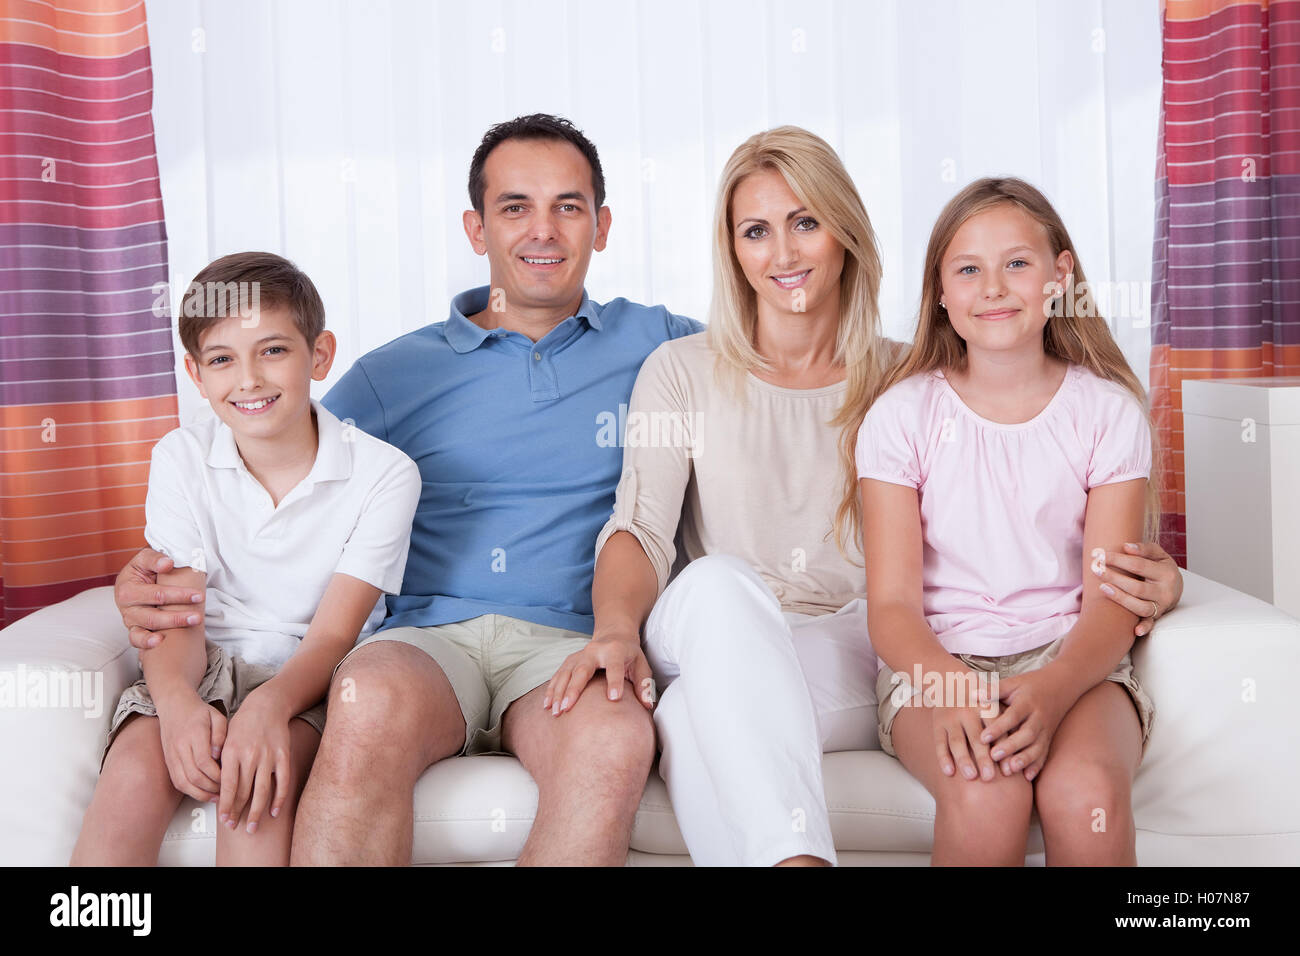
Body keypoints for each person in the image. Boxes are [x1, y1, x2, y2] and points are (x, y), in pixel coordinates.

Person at [551, 129, 1184, 867]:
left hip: (853, 645)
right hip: (716, 629)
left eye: (806, 223)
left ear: (844, 232)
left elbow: (1013, 503)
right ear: (733, 250)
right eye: (757, 231)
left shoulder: (904, 382)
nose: (784, 255)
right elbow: (642, 529)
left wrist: (1157, 576)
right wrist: (616, 629)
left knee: (695, 718)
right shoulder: (682, 370)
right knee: (723, 587)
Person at [110, 114, 702, 865]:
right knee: (367, 701)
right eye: (515, 207)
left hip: (573, 644)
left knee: (616, 737)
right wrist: (152, 578)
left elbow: (780, 367)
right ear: (476, 228)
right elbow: (261, 460)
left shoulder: (665, 344)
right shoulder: (395, 376)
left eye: (569, 206)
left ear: (603, 225)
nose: (542, 231)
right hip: (422, 641)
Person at [73, 252, 421, 865]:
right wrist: (179, 704)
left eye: (274, 351)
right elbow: (174, 609)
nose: (249, 379)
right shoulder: (179, 457)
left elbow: (335, 634)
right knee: (130, 776)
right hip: (196, 661)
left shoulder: (384, 474)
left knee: (253, 803)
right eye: (222, 359)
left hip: (305, 678)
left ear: (319, 354)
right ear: (195, 372)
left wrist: (266, 707)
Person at [853, 177, 1159, 865]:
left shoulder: (1107, 414)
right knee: (986, 788)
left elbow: (1111, 598)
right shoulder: (901, 417)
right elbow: (893, 607)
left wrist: (1051, 691)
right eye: (968, 269)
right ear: (939, 291)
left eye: (1016, 263)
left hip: (1075, 661)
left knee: (1086, 795)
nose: (993, 287)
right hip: (938, 666)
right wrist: (956, 688)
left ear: (1060, 276)